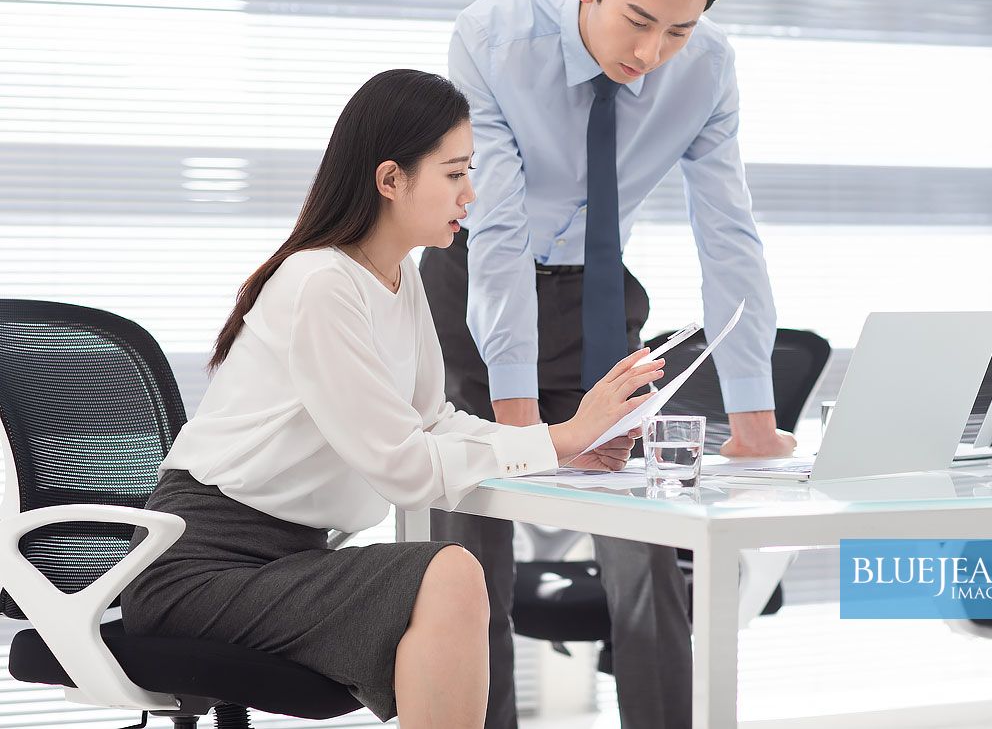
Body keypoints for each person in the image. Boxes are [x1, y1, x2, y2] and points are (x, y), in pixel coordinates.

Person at [119, 69, 664, 729]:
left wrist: (564, 448)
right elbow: (404, 466)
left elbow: (432, 422)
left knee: (445, 577)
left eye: (470, 171)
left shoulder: (399, 276)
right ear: (390, 179)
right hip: (200, 569)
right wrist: (562, 437)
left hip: (290, 559)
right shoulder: (321, 283)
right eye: (454, 173)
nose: (471, 192)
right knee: (449, 574)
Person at [418, 0, 793, 728]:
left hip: (597, 293)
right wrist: (522, 431)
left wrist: (754, 420)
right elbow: (499, 226)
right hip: (476, 288)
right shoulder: (494, 36)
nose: (651, 54)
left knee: (643, 536)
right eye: (638, 21)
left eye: (679, 31)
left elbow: (727, 233)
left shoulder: (707, 68)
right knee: (470, 553)